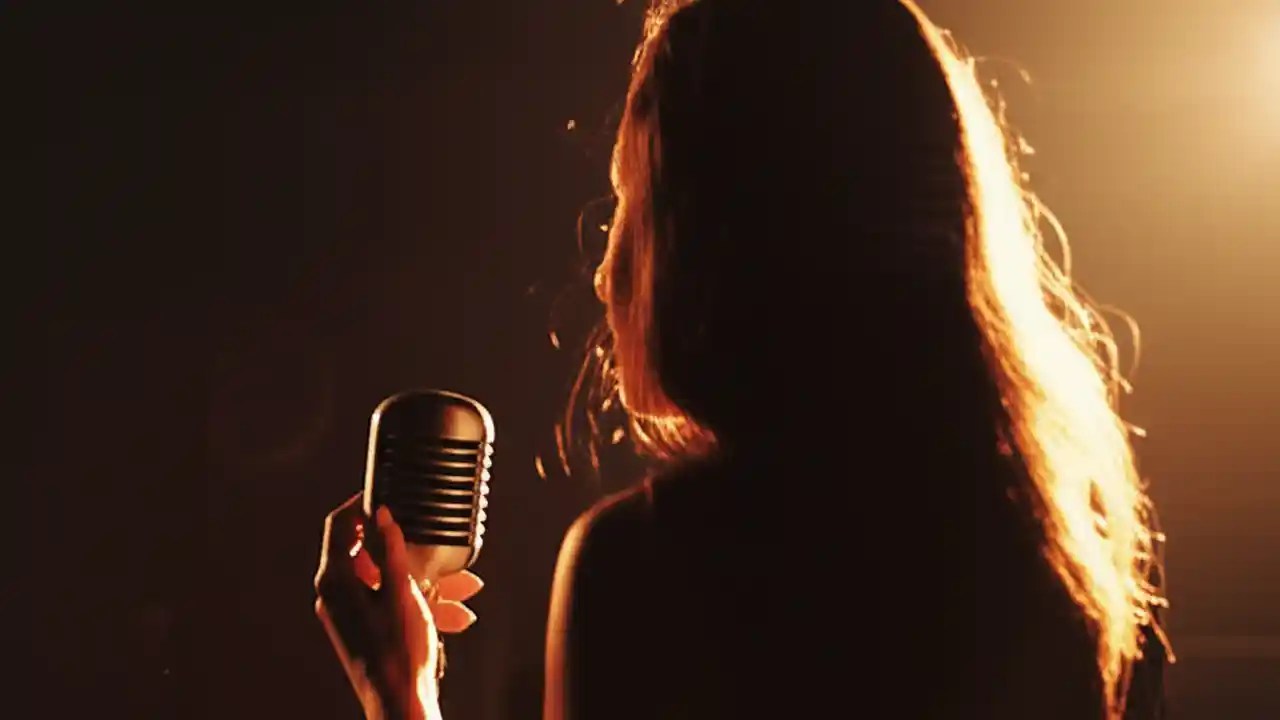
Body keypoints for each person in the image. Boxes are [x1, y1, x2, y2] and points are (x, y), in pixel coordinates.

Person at [313, 1, 1170, 718]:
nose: (606, 271)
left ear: (724, 240)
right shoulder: (1069, 558)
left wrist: (399, 690)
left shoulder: (649, 567)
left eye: (633, 205)